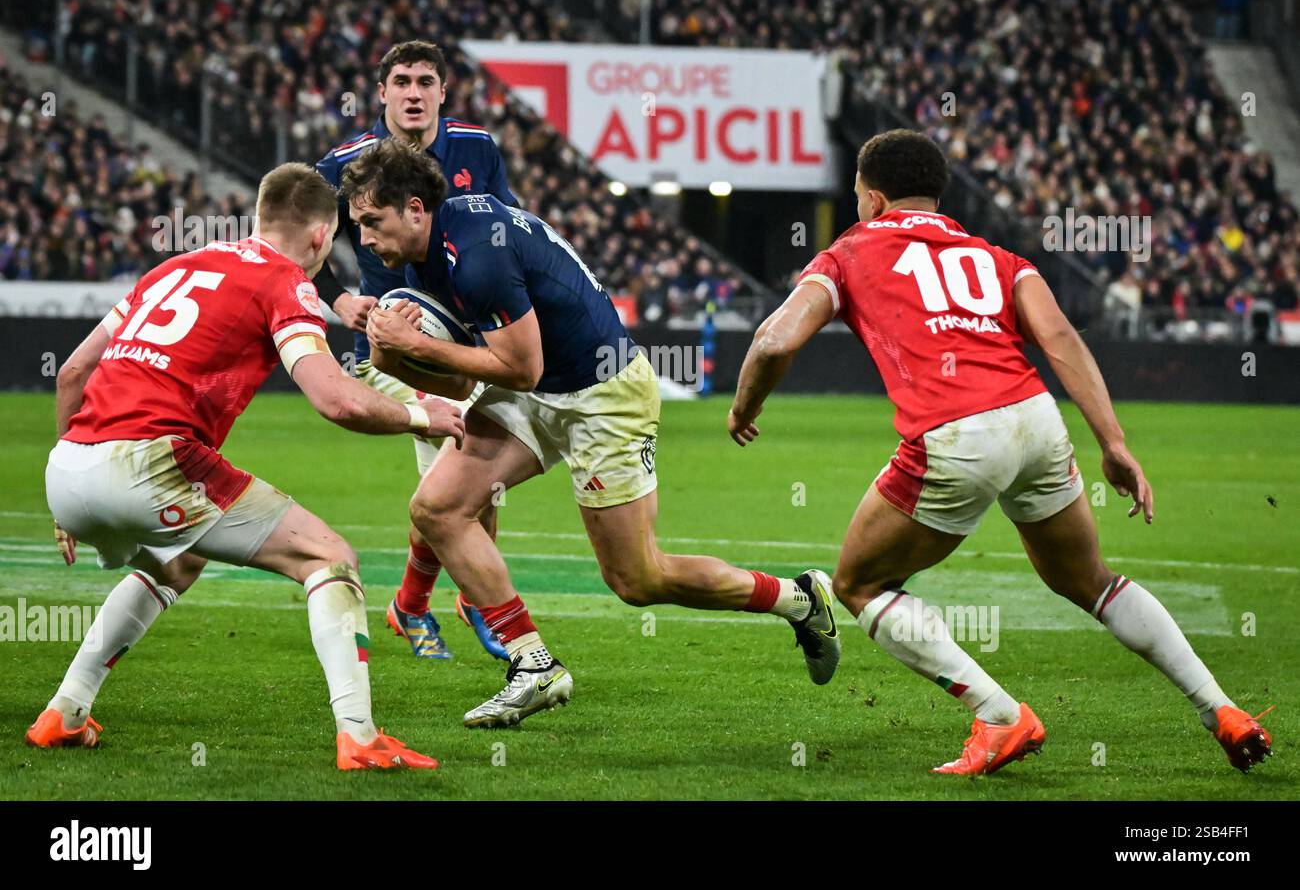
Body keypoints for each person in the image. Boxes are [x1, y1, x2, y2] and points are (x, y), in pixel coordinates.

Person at [729, 129, 1274, 776]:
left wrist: (746, 407)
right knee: (1091, 583)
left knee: (858, 583)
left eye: (855, 197)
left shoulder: (848, 251)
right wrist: (1113, 442)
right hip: (1036, 419)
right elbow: (1061, 337)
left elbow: (773, 341)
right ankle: (1222, 710)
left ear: (872, 200)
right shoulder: (996, 257)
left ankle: (998, 714)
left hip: (955, 434)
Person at [347, 139, 841, 728]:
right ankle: (534, 665)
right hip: (537, 390)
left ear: (415, 209)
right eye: (357, 225)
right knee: (438, 507)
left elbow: (518, 365)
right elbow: (461, 385)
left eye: (373, 222)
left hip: (602, 395)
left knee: (637, 579)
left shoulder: (476, 256)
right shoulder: (435, 248)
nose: (366, 239)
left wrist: (417, 346)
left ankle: (797, 599)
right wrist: (391, 356)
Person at [28, 163, 465, 771]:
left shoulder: (174, 267)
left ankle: (65, 713)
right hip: (151, 461)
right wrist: (424, 415)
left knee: (179, 558)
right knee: (329, 556)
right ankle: (360, 737)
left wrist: (65, 490)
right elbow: (335, 399)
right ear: (320, 238)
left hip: (69, 468)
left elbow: (74, 372)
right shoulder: (286, 283)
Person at [313, 40, 517, 661]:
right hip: (394, 339)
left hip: (468, 337)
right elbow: (294, 240)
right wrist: (338, 299)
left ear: (442, 92)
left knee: (473, 477)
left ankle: (412, 603)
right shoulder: (347, 162)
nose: (413, 92)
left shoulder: (477, 147)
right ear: (381, 92)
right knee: (458, 464)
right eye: (400, 80)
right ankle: (478, 603)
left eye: (425, 81)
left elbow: (506, 226)